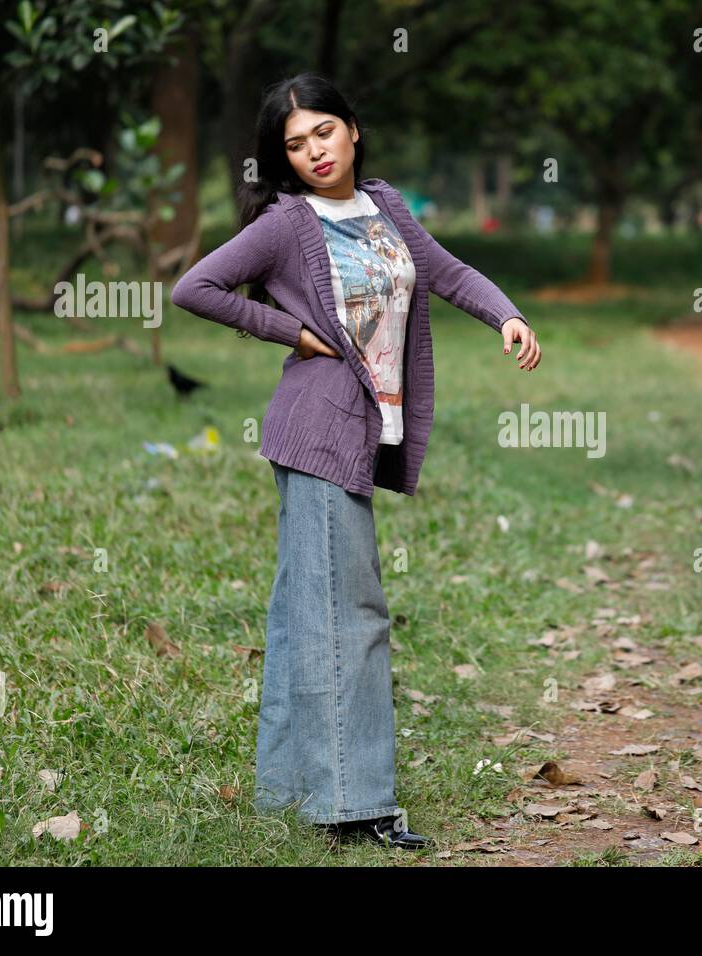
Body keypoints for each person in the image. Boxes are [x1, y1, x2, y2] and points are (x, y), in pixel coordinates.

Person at [170, 71, 540, 851]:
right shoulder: (286, 223)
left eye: (324, 132)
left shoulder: (385, 205)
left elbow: (446, 272)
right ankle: (353, 804)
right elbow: (195, 288)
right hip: (318, 433)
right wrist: (290, 332)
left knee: (305, 614)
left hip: (346, 432)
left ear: (353, 129)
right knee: (353, 616)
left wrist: (505, 315)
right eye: (295, 144)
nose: (314, 152)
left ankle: (288, 791)